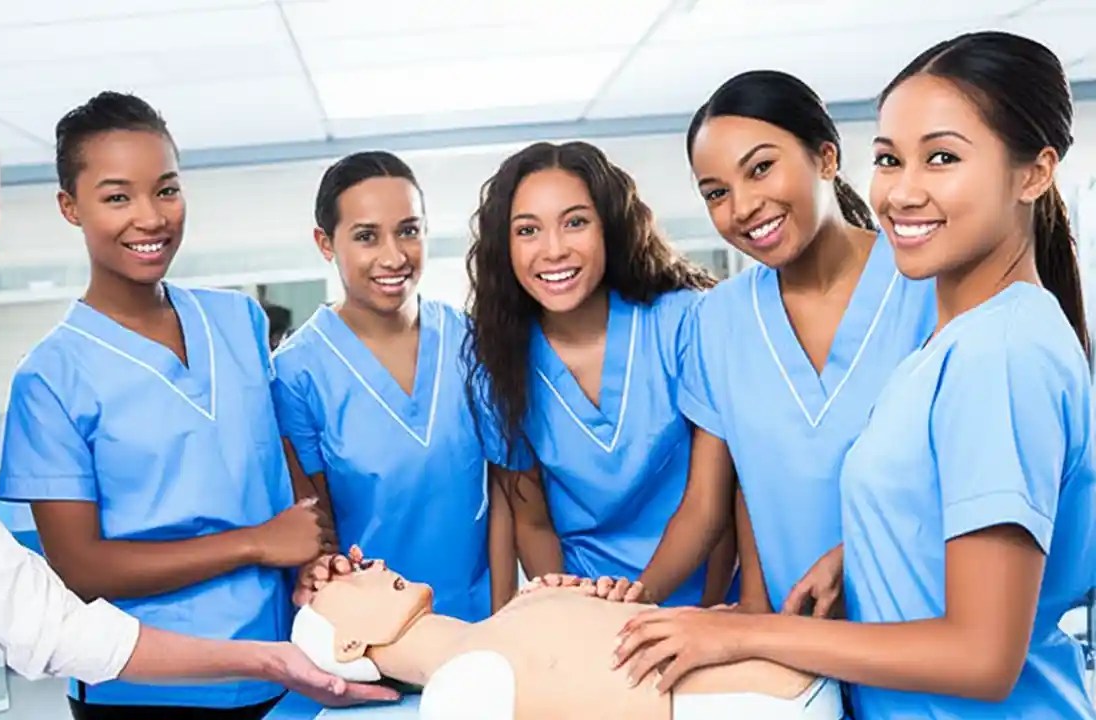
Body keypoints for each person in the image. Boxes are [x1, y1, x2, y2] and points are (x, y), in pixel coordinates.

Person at [0, 87, 396, 720]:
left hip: (264, 666)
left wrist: (311, 563)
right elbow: (46, 598)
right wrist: (258, 583)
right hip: (133, 688)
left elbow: (283, 477)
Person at [613, 31, 1096, 720]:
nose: (902, 191)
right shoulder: (960, 342)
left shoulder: (1001, 352)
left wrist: (746, 631)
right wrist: (859, 551)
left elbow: (982, 657)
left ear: (1034, 174)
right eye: (890, 159)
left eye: (942, 157)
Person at [0, 92, 343, 719]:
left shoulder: (238, 321)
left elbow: (280, 461)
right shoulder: (50, 377)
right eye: (117, 197)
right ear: (71, 208)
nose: (151, 217)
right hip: (143, 689)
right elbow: (81, 567)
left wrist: (313, 554)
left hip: (280, 669)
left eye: (167, 190)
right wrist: (256, 544)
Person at [579, 71, 938, 615]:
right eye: (716, 193)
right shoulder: (718, 319)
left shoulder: (928, 284)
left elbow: (964, 479)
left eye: (761, 168)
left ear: (826, 158)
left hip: (920, 628)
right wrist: (636, 600)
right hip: (792, 639)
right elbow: (715, 499)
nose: (742, 206)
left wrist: (854, 557)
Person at [463, 140, 726, 608]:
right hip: (588, 603)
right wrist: (576, 613)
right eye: (528, 230)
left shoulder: (685, 323)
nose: (554, 250)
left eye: (576, 222)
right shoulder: (499, 367)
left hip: (701, 599)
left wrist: (641, 602)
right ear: (505, 247)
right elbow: (533, 524)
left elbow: (709, 502)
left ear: (609, 226)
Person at [272, 151, 516, 621]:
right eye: (367, 236)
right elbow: (319, 536)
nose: (394, 256)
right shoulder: (296, 373)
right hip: (370, 632)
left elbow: (507, 492)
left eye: (408, 230)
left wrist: (503, 620)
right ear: (326, 243)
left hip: (477, 620)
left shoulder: (472, 343)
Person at [290, 547, 844, 719]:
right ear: (347, 646)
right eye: (344, 582)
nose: (369, 562)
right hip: (777, 697)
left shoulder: (523, 606)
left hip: (792, 662)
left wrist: (606, 605)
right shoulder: (460, 694)